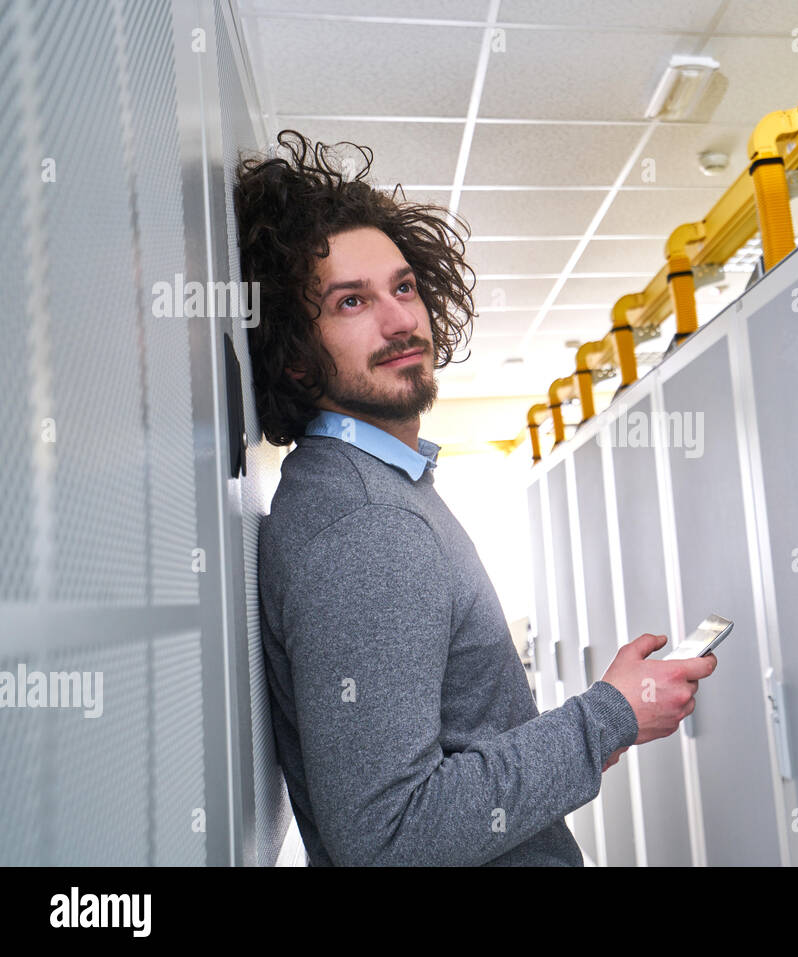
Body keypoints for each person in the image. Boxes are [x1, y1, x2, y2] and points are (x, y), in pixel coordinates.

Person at [236, 130, 717, 866]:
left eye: (402, 286)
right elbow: (391, 834)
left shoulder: (374, 489)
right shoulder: (367, 524)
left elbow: (442, 760)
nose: (400, 319)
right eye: (350, 301)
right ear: (296, 358)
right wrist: (607, 716)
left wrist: (591, 732)